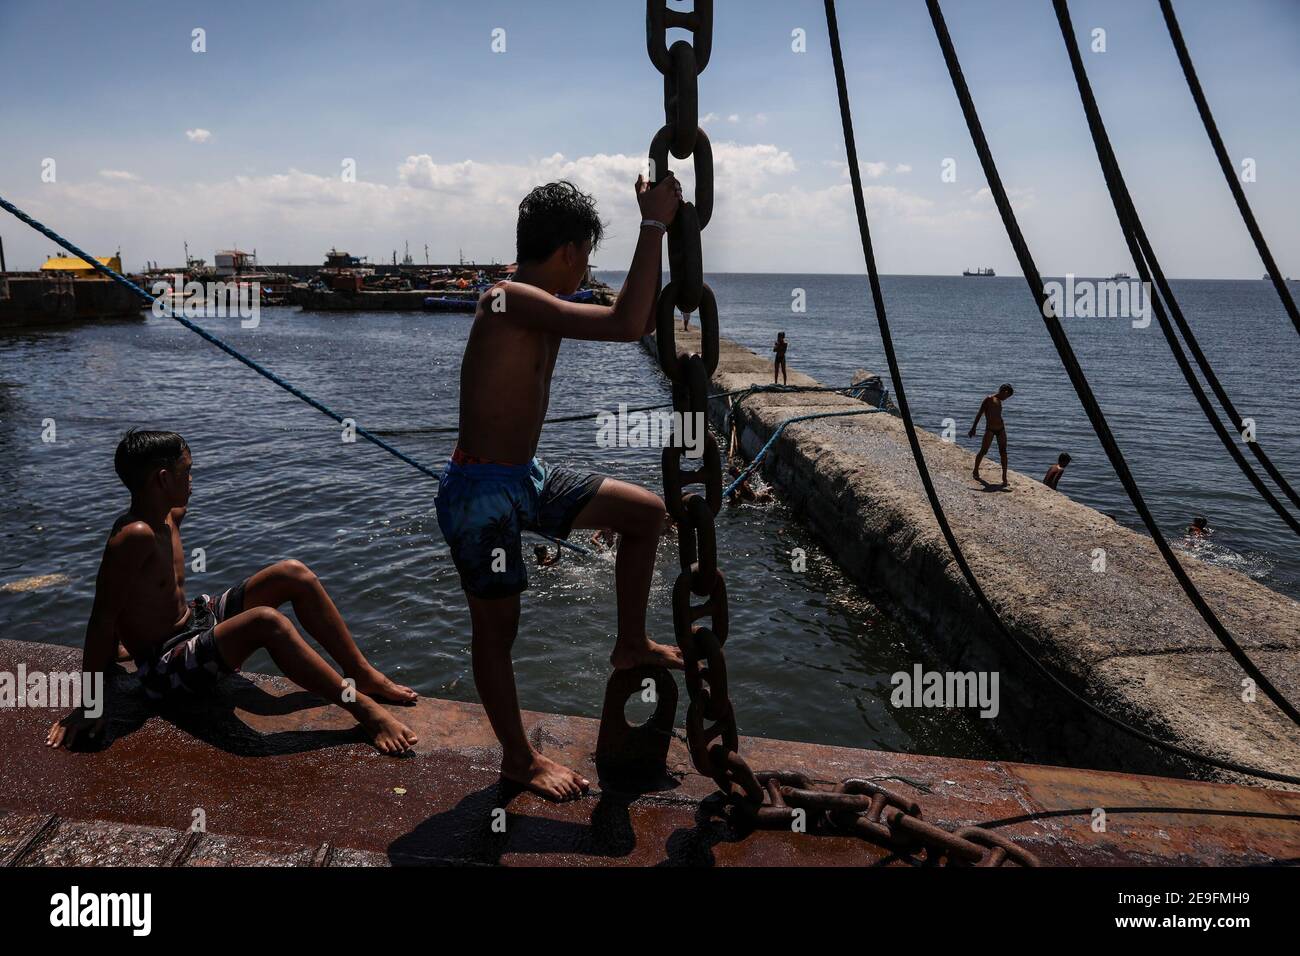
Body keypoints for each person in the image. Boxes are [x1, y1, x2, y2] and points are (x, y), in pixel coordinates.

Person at [435, 176, 684, 801]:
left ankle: (629, 643)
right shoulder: (507, 299)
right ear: (571, 251)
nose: (588, 268)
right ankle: (518, 761)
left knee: (645, 515)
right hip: (479, 492)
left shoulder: (531, 296)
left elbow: (630, 315)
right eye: (589, 256)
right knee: (498, 632)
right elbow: (630, 323)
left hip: (525, 477)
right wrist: (654, 223)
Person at [47, 429, 418, 754]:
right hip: (165, 665)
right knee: (266, 622)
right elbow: (102, 617)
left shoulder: (169, 515)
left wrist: (118, 648)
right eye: (186, 471)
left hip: (195, 620)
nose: (193, 479)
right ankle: (363, 709)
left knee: (294, 574)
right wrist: (89, 707)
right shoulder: (133, 536)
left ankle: (361, 672)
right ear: (162, 479)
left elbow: (136, 599)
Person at [969, 383, 1014, 486]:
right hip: (990, 429)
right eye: (1007, 396)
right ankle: (975, 470)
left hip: (1001, 429)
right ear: (1005, 392)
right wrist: (973, 428)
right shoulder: (989, 399)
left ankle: (1004, 477)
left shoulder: (999, 401)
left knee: (1003, 452)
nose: (1006, 399)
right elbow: (980, 413)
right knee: (984, 451)